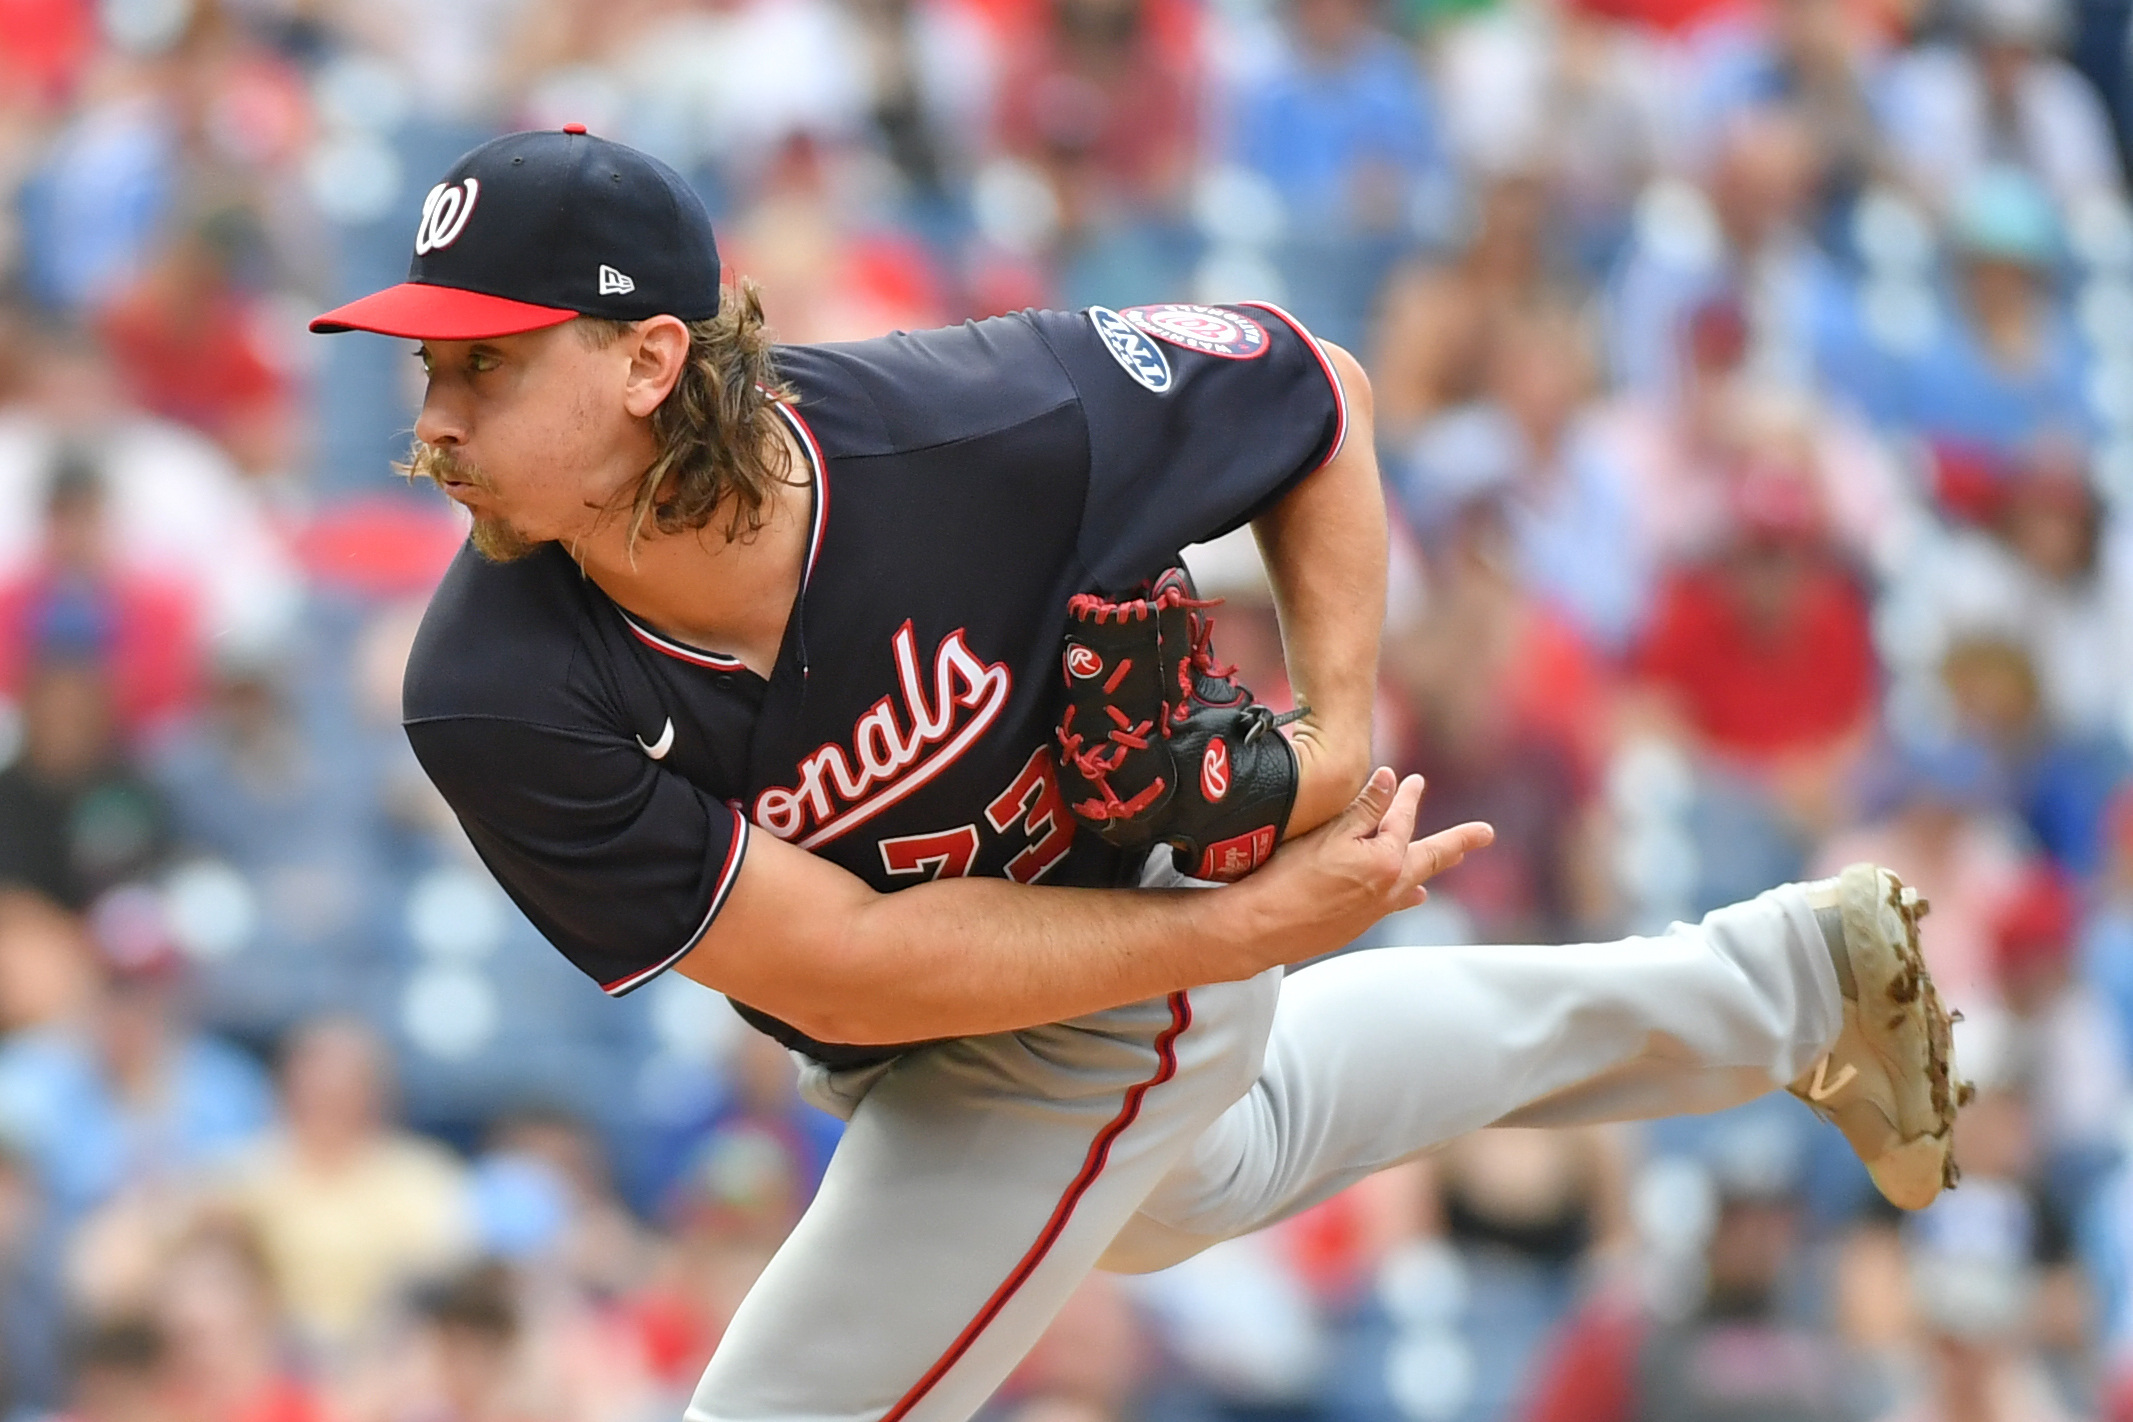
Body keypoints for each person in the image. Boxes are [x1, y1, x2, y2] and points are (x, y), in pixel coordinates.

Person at [310, 127, 1962, 1422]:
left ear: (648, 360)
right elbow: (851, 966)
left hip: (1108, 948)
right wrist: (1244, 935)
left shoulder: (977, 428)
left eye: (484, 364)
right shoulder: (492, 688)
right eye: (429, 368)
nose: (434, 418)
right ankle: (1794, 979)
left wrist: (1338, 733)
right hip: (954, 1010)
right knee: (1215, 1168)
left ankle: (1777, 985)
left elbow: (1316, 390)